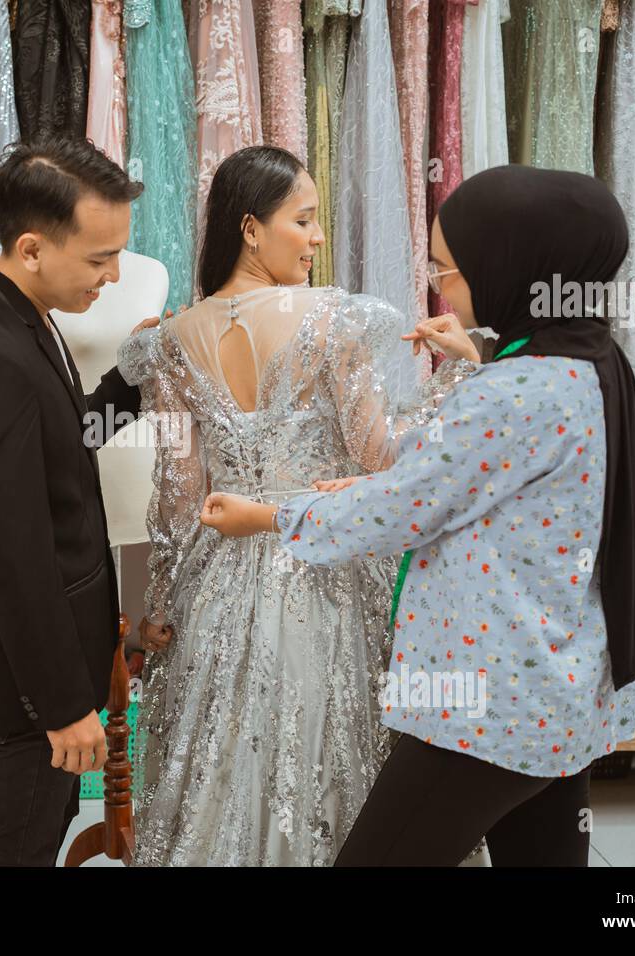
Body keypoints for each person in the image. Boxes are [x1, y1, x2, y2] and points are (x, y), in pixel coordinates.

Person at [201, 164, 635, 866]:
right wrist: (475, 355)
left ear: (510, 267)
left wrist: (268, 515)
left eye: (451, 271)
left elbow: (404, 507)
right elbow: (474, 475)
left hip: (487, 704)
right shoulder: (592, 362)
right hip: (557, 687)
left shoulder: (514, 391)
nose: (441, 287)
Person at [118, 145, 480, 865]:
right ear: (251, 228)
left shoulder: (170, 340)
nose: (318, 238)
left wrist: (159, 604)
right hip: (325, 568)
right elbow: (381, 454)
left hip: (218, 583)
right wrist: (459, 381)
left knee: (221, 766)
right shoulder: (333, 321)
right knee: (333, 759)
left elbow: (180, 494)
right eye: (305, 221)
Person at [0, 136, 161, 866]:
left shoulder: (20, 313)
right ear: (30, 248)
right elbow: (15, 559)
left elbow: (63, 439)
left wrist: (134, 376)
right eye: (99, 259)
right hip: (29, 694)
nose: (114, 276)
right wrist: (62, 708)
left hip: (46, 677)